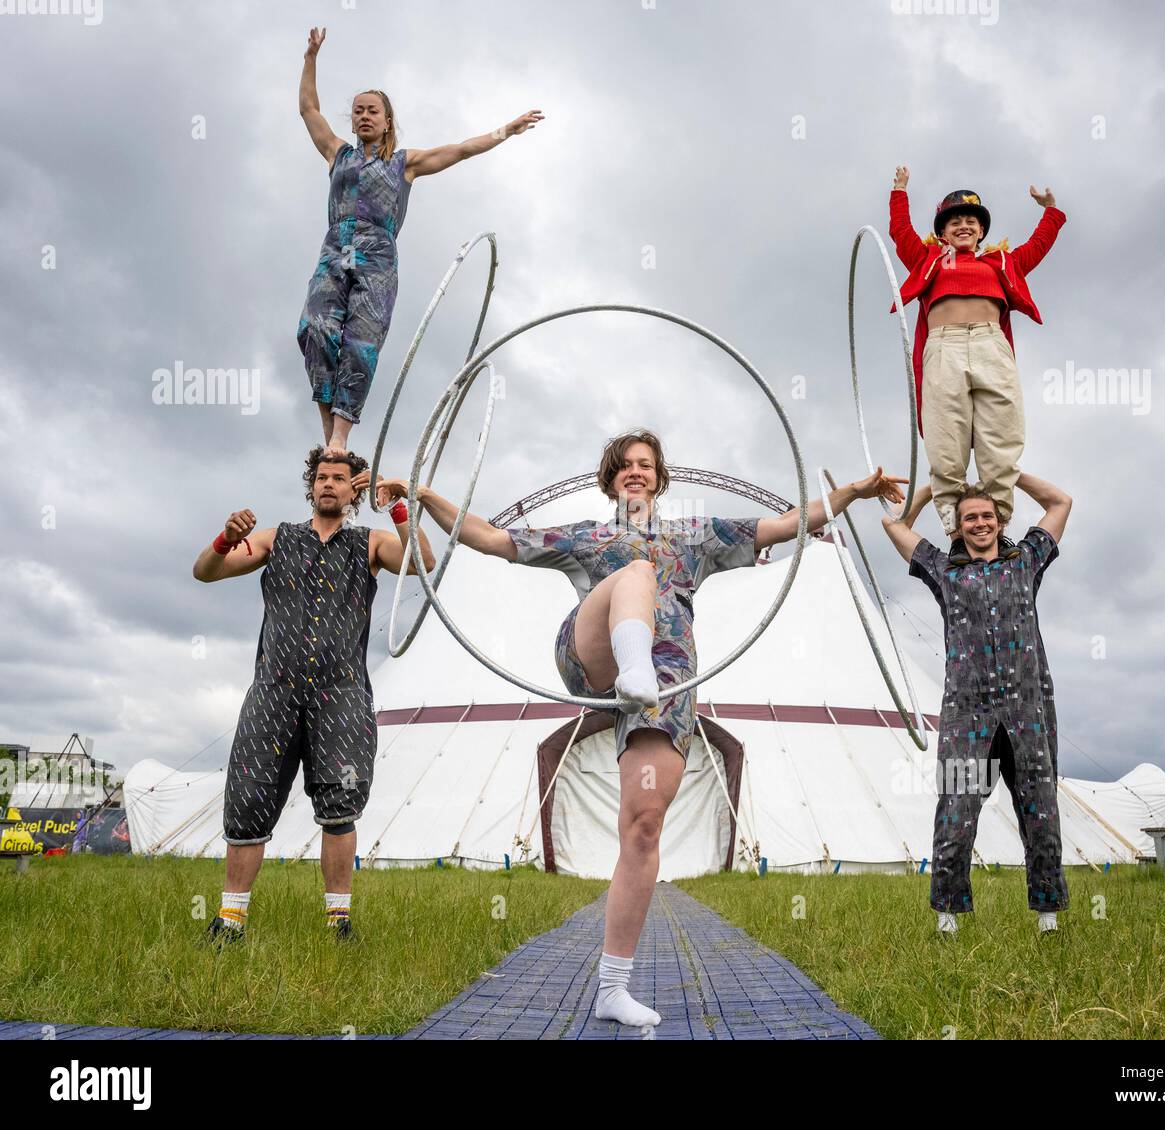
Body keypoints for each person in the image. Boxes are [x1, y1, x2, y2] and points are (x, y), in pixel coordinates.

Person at [370, 429, 906, 1024]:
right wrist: (422, 496)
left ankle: (612, 989)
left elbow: (783, 525)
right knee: (638, 577)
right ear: (610, 479)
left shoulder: (696, 538)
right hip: (593, 659)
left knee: (645, 824)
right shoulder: (585, 538)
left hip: (665, 690)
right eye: (624, 465)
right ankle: (632, 666)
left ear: (659, 477)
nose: (635, 473)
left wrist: (856, 492)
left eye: (645, 466)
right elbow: (492, 539)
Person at [193, 447, 434, 944]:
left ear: (353, 490)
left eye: (339, 478)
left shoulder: (370, 543)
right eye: (321, 477)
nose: (328, 484)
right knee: (250, 798)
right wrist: (225, 540)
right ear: (312, 485)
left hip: (340, 694)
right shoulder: (275, 538)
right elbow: (205, 572)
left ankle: (338, 924)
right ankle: (230, 921)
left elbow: (422, 563)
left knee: (340, 806)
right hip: (273, 691)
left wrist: (398, 507)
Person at [297, 26, 544, 455]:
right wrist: (311, 58)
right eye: (357, 111)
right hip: (335, 249)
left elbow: (462, 149)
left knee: (360, 342)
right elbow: (308, 109)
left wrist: (507, 130)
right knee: (316, 329)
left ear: (387, 119)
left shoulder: (404, 163)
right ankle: (328, 434)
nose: (364, 116)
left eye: (372, 110)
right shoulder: (337, 153)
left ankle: (340, 438)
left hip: (377, 256)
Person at [881, 472, 1072, 933]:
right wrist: (936, 484)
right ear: (957, 527)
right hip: (969, 711)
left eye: (987, 515)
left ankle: (1048, 917)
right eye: (970, 518)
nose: (980, 523)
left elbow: (1061, 501)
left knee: (1040, 808)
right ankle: (948, 918)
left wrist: (1005, 473)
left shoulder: (1025, 560)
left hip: (1028, 707)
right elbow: (894, 524)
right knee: (957, 809)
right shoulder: (944, 569)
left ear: (1000, 520)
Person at [888, 166, 1066, 561]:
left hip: (990, 344)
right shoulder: (927, 260)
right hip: (944, 347)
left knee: (1000, 441)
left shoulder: (1000, 263)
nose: (963, 226)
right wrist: (899, 191)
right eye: (955, 222)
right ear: (943, 231)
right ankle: (956, 535)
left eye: (971, 221)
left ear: (981, 231)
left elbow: (1037, 246)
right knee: (945, 441)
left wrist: (1051, 211)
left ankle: (997, 529)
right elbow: (900, 234)